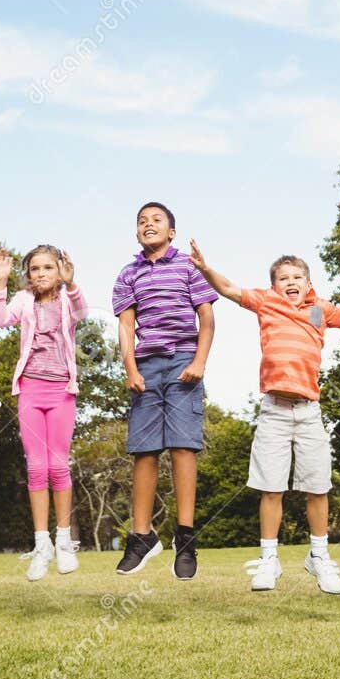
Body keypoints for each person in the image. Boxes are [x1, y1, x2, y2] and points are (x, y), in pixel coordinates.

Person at [187, 240, 340, 593]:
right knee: (271, 487)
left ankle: (318, 556)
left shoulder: (318, 309)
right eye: (283, 277)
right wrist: (204, 268)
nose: (291, 281)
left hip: (309, 412)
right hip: (274, 411)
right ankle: (269, 560)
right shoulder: (266, 303)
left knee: (317, 487)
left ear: (308, 281)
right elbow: (227, 289)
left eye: (297, 276)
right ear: (273, 285)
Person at [111, 201, 217, 579]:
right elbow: (126, 326)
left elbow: (207, 318)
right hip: (146, 365)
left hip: (183, 361)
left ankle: (185, 539)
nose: (148, 224)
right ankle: (142, 536)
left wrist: (199, 362)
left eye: (156, 220)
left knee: (183, 447)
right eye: (142, 221)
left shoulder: (188, 266)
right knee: (144, 450)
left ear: (171, 231)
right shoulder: (128, 273)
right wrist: (130, 368)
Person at [0, 245, 88, 580]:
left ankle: (63, 541)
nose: (41, 273)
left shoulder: (66, 299)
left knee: (59, 464)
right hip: (30, 389)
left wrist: (72, 285)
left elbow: (82, 313)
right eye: (35, 269)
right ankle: (41, 543)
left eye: (48, 267)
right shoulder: (22, 300)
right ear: (28, 274)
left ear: (61, 270)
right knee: (36, 467)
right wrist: (0, 284)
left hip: (61, 389)